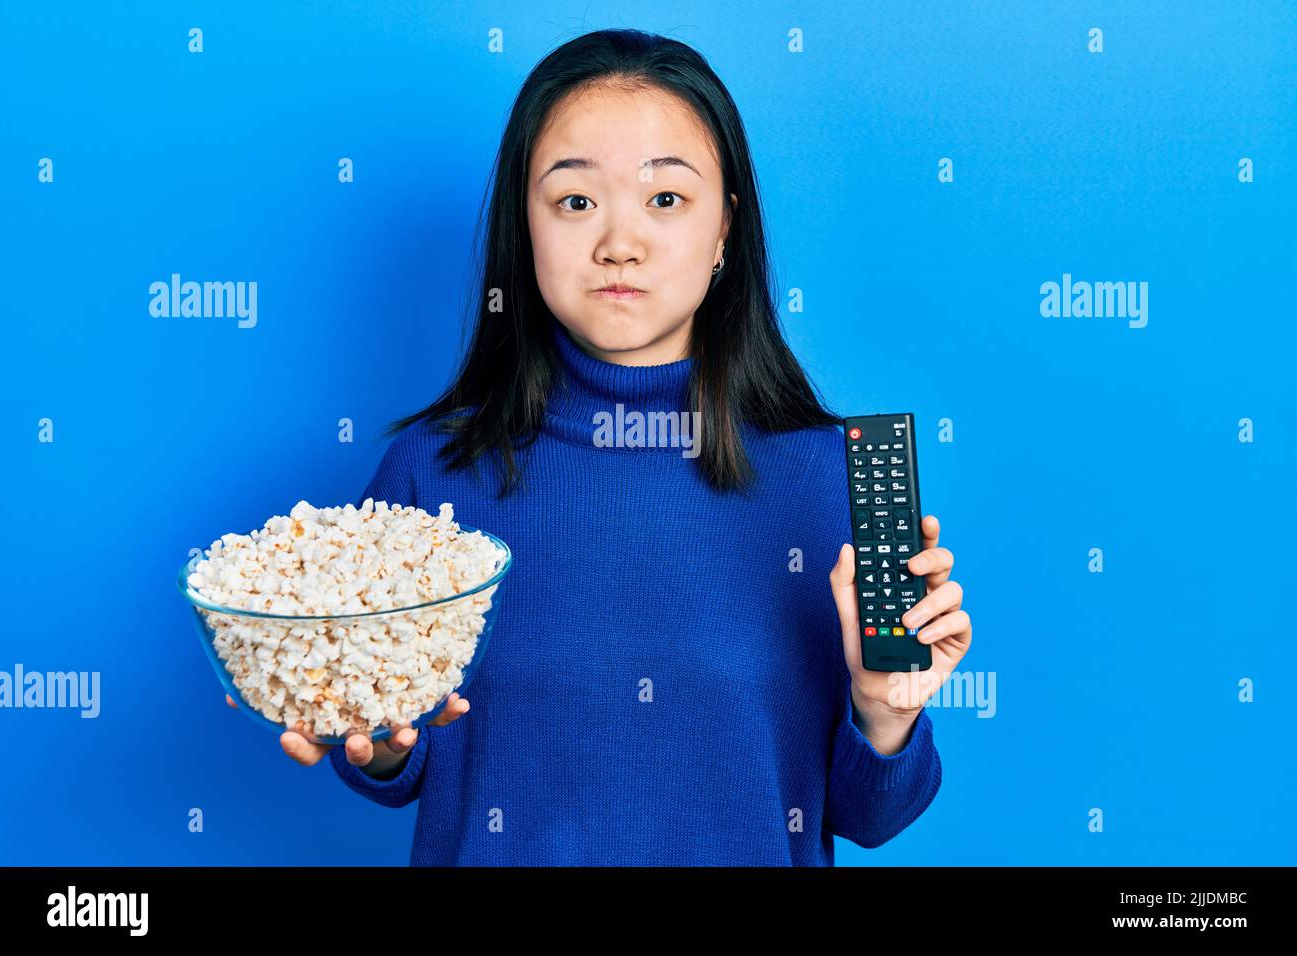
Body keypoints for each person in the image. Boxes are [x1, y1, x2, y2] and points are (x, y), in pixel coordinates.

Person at [229, 27, 972, 865]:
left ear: (725, 229)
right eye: (575, 201)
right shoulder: (430, 475)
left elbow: (872, 817)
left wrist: (885, 710)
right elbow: (402, 758)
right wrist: (375, 733)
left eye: (666, 199)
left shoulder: (825, 479)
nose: (619, 242)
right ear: (528, 224)